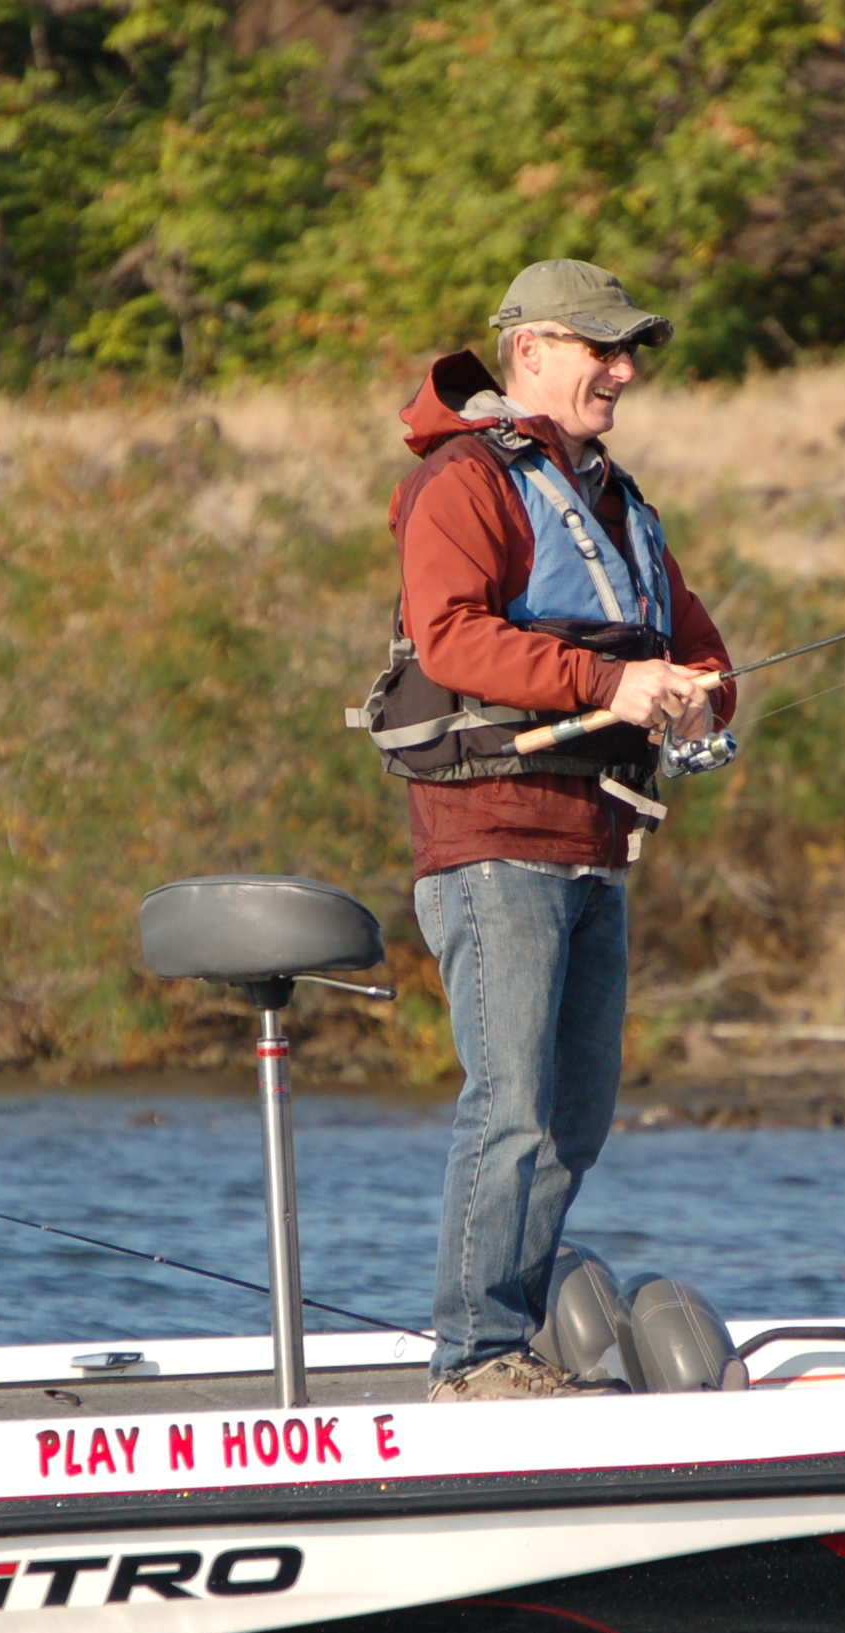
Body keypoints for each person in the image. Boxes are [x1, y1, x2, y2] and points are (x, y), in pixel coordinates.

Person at [351, 259, 738, 1402]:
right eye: (600, 348)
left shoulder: (615, 499)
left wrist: (702, 694)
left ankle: (512, 1341)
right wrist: (608, 688)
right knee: (511, 1105)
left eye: (629, 352)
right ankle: (473, 1361)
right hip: (490, 838)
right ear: (530, 351)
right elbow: (453, 638)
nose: (622, 371)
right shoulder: (461, 484)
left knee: (573, 1117)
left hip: (596, 844)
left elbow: (704, 649)